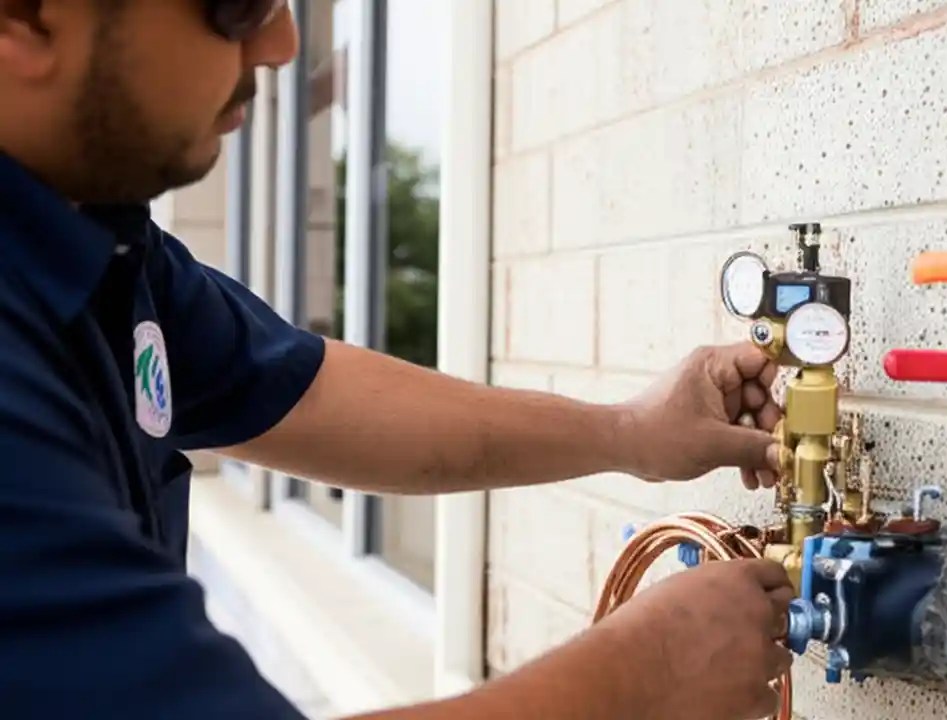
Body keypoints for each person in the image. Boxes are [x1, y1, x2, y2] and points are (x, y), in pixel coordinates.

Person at [0, 1, 795, 719]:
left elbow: (305, 397)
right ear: (25, 18)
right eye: (237, 8)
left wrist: (633, 433)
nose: (281, 44)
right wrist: (647, 672)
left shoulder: (99, 241)